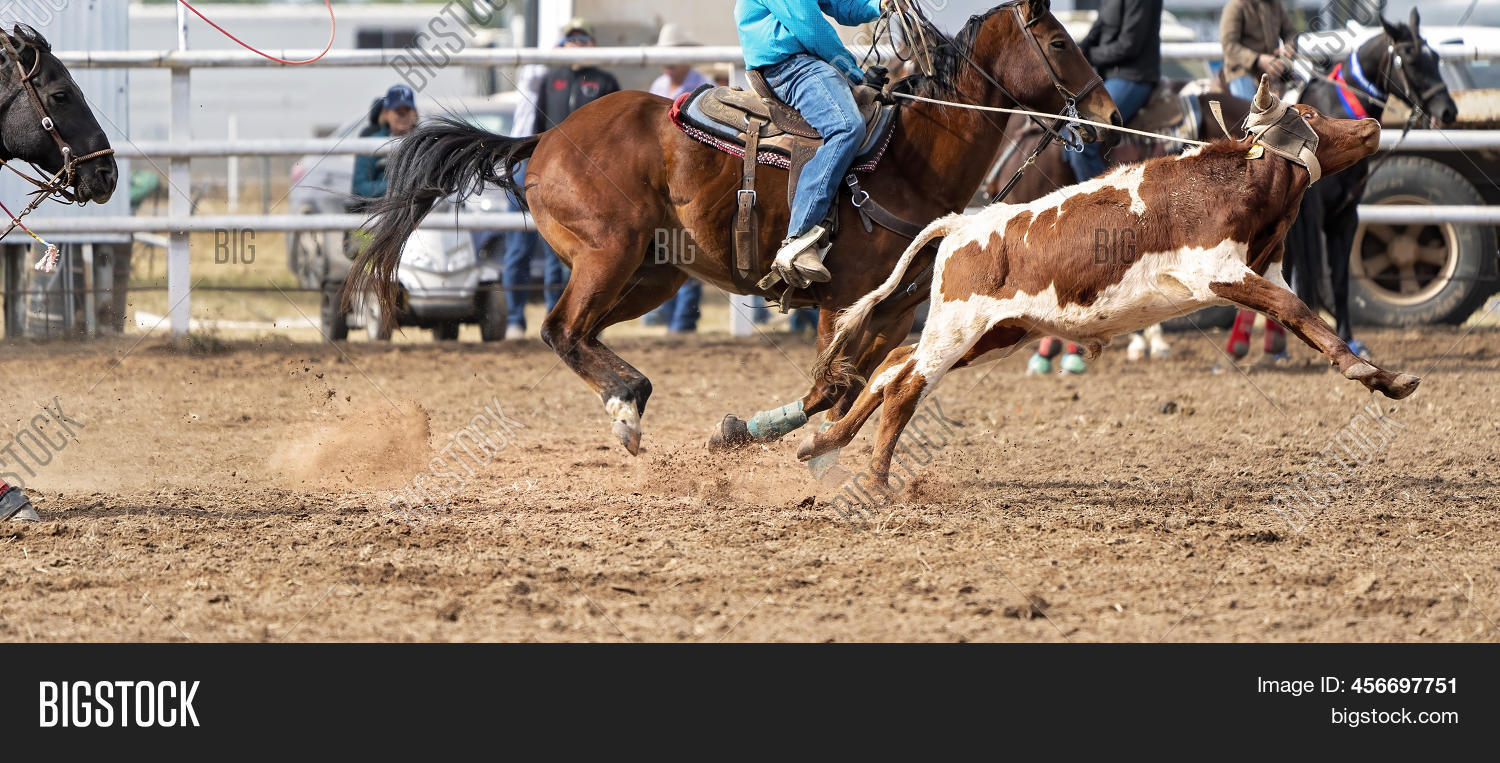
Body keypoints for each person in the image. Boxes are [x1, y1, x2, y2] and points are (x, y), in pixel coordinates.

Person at [1027, 0, 1164, 376]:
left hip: (1135, 76)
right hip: (1108, 71)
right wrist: (1073, 51)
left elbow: (1129, 45)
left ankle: (1099, 203)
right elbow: (1101, 30)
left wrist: (1086, 55)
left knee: (1084, 139)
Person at [736, 0, 891, 288]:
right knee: (846, 126)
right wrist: (853, 72)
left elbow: (836, 3)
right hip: (788, 66)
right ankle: (799, 238)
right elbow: (809, 25)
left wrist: (878, 4)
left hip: (803, 62)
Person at [500, 18, 620, 339]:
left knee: (565, 251)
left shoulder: (605, 82)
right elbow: (536, 126)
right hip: (546, 172)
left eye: (583, 38)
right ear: (561, 45)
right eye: (571, 39)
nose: (577, 45)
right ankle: (515, 317)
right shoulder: (550, 79)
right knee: (519, 247)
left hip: (587, 179)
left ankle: (561, 318)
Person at [643, 24, 712, 333]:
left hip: (690, 175)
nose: (668, 61)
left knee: (687, 243)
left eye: (674, 54)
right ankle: (665, 315)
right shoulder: (661, 84)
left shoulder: (704, 87)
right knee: (667, 244)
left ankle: (683, 320)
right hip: (664, 175)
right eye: (665, 55)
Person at [351, 84, 419, 203]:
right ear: (386, 113)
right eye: (398, 111)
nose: (403, 116)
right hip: (382, 209)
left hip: (417, 207)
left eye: (407, 111)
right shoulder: (372, 142)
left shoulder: (422, 141)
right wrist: (397, 188)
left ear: (414, 113)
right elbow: (359, 187)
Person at [1220, 0, 1296, 100]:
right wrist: (1259, 60)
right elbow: (1229, 45)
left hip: (1272, 70)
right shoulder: (1236, 5)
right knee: (1249, 110)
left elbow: (1290, 32)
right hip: (1242, 71)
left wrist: (1289, 45)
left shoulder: (1275, 5)